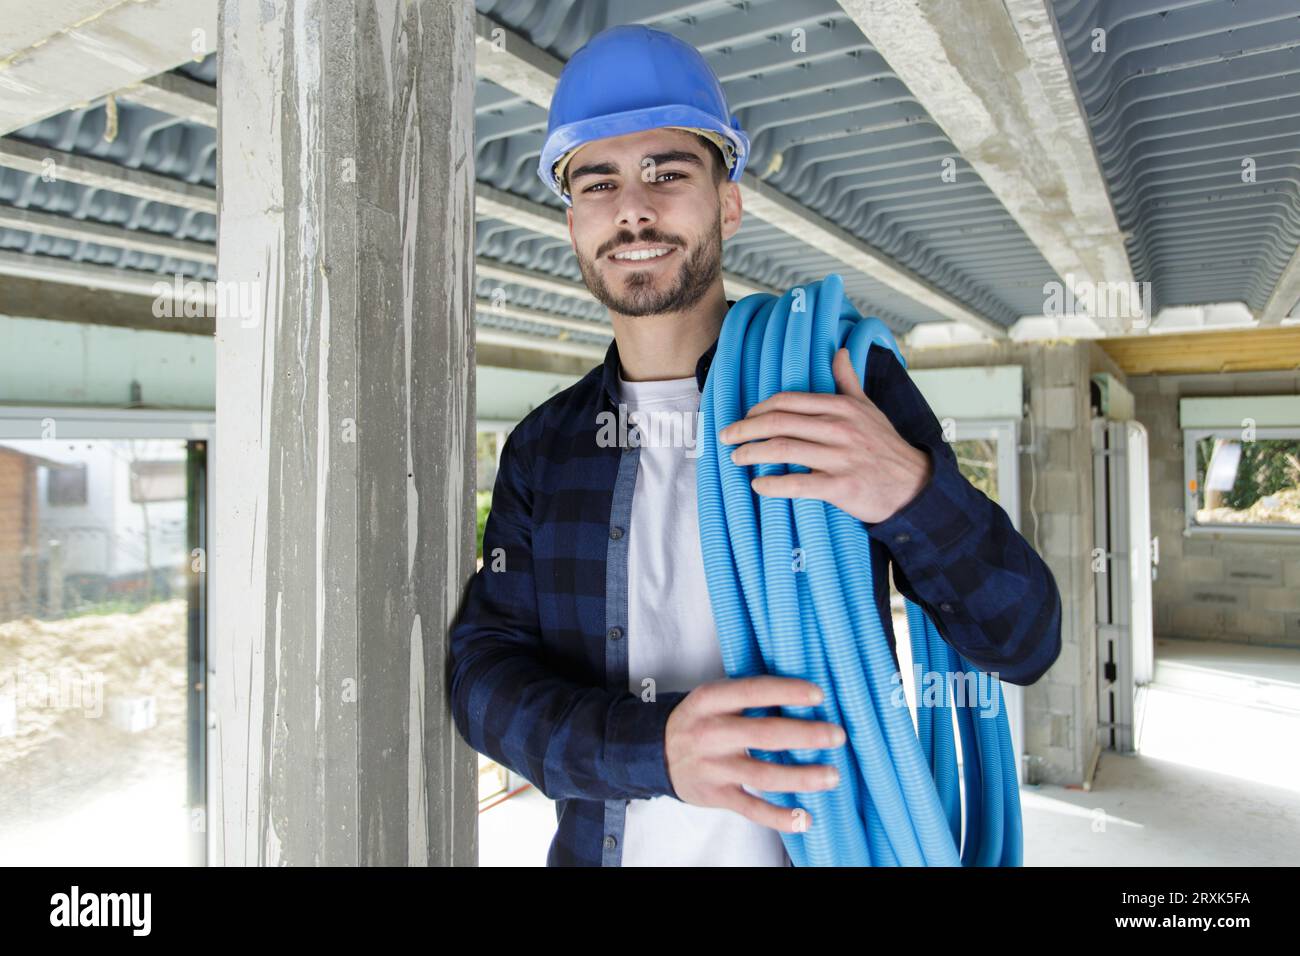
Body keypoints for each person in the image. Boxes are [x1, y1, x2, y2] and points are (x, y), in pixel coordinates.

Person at [449, 24, 1061, 867]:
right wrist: (654, 750)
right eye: (599, 182)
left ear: (728, 203)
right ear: (573, 223)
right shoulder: (546, 451)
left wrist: (910, 492)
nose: (634, 206)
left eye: (668, 171)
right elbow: (483, 682)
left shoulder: (836, 385)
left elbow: (1025, 639)